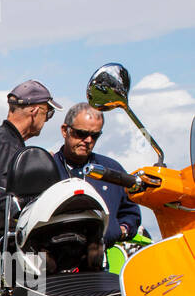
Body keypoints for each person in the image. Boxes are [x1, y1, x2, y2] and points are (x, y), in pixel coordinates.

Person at [52, 102, 142, 246]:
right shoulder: (47, 168)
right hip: (53, 260)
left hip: (98, 260)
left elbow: (131, 211)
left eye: (94, 136)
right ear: (65, 131)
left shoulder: (111, 170)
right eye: (81, 133)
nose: (88, 140)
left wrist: (120, 230)